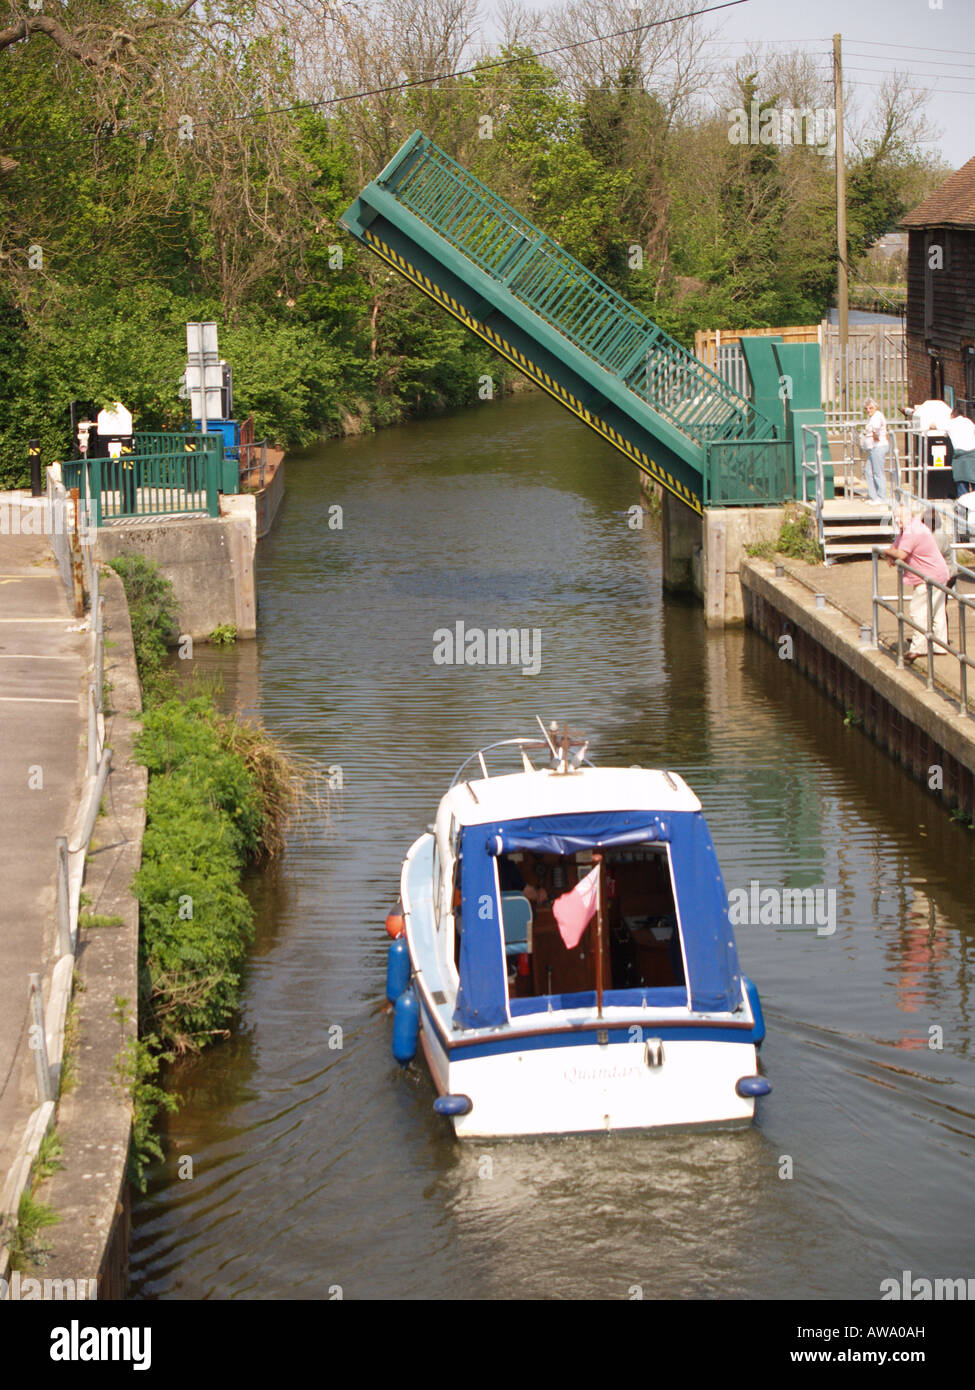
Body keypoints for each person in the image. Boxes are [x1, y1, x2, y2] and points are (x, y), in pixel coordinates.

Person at [884, 503, 949, 665]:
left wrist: (887, 552)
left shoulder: (912, 531)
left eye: (900, 517)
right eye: (895, 517)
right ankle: (940, 645)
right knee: (937, 610)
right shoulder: (909, 528)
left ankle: (918, 648)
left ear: (910, 516)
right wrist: (892, 552)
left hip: (929, 577)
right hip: (937, 574)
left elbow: (900, 553)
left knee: (917, 610)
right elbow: (896, 546)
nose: (898, 520)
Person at [863, 398, 889, 503]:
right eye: (866, 408)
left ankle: (881, 497)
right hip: (872, 448)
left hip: (878, 447)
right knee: (868, 471)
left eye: (871, 408)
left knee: (878, 472)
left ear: (876, 408)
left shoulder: (877, 416)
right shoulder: (871, 417)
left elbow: (877, 428)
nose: (868, 410)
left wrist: (875, 434)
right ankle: (873, 496)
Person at [947, 407, 975, 499]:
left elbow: (934, 425)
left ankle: (963, 510)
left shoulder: (950, 423)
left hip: (960, 457)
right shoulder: (969, 422)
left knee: (962, 484)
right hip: (973, 454)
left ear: (952, 415)